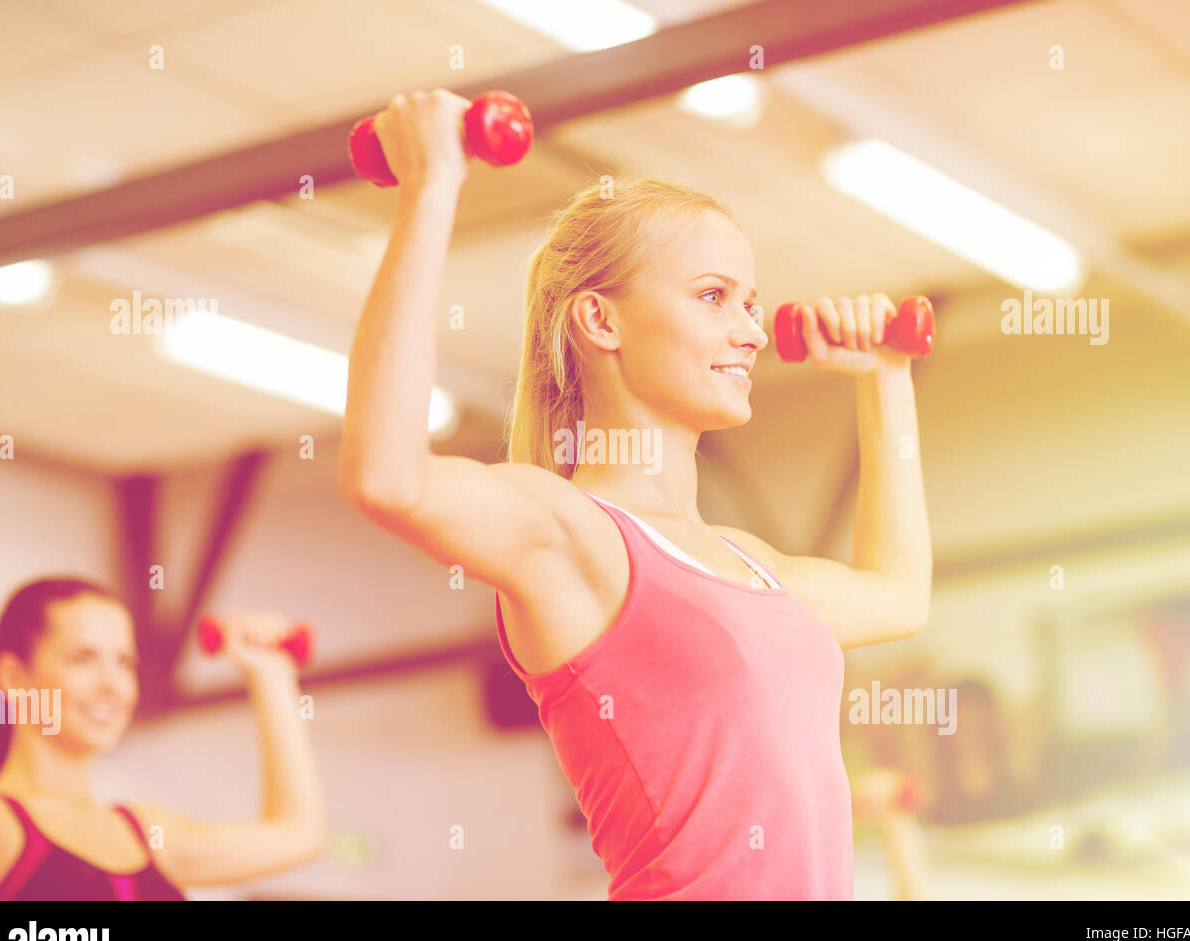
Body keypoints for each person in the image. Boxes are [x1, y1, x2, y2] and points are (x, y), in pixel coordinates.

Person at [338, 89, 932, 899]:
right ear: (602, 321)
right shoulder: (571, 537)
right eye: (714, 296)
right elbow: (386, 477)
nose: (752, 332)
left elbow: (899, 595)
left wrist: (886, 378)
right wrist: (432, 184)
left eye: (751, 304)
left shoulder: (748, 564)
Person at [0, 577, 325, 900]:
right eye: (82, 658)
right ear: (14, 677)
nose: (112, 685)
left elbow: (298, 834)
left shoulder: (148, 835)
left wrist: (270, 673)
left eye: (124, 663)